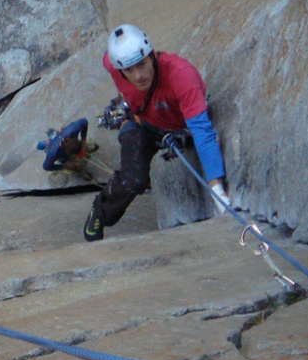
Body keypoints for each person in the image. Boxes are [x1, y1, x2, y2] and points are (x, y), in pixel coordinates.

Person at [84, 24, 229, 241]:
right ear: (120, 69)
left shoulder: (182, 76)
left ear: (152, 55)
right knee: (134, 179)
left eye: (142, 64)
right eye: (129, 70)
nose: (138, 75)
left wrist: (218, 192)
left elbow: (202, 132)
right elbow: (107, 57)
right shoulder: (114, 65)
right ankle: (101, 210)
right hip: (139, 123)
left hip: (176, 125)